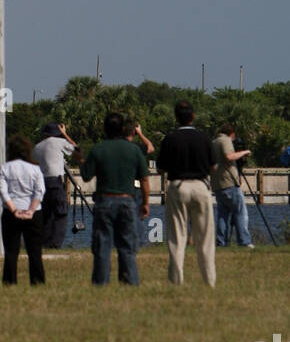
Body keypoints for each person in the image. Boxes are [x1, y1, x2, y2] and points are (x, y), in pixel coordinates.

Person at [80, 112, 149, 286]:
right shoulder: (133, 149)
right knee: (127, 246)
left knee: (102, 245)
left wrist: (80, 159)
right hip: (128, 201)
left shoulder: (98, 149)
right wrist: (146, 203)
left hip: (104, 201)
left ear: (105, 129)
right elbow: (144, 179)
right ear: (123, 129)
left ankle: (100, 283)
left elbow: (86, 176)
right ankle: (130, 282)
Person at [155, 100, 216, 287]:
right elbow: (213, 166)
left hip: (178, 186)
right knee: (205, 237)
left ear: (176, 117)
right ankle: (209, 280)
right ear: (193, 116)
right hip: (200, 186)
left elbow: (160, 169)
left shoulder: (170, 139)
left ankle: (176, 279)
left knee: (177, 237)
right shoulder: (204, 138)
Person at [0, 135, 46, 285]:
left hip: (11, 213)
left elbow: (3, 191)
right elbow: (39, 191)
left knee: (11, 252)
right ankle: (37, 281)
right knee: (35, 252)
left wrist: (14, 210)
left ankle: (9, 281)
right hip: (34, 213)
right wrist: (31, 210)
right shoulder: (35, 169)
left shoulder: (5, 168)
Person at [32, 123, 80, 248]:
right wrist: (65, 134)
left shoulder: (37, 147)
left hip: (41, 182)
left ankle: (45, 244)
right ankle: (56, 244)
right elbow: (77, 150)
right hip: (56, 182)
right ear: (57, 133)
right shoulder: (59, 142)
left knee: (47, 214)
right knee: (60, 213)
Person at [211, 124, 253, 250]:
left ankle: (221, 241)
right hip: (230, 183)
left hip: (218, 184)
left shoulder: (214, 142)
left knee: (222, 215)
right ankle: (244, 241)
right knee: (239, 212)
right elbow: (229, 156)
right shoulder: (226, 140)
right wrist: (244, 152)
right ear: (232, 133)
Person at [123, 118, 155, 250]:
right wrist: (140, 133)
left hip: (121, 186)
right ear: (133, 132)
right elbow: (151, 148)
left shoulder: (118, 146)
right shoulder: (136, 147)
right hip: (134, 186)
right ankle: (139, 243)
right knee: (137, 216)